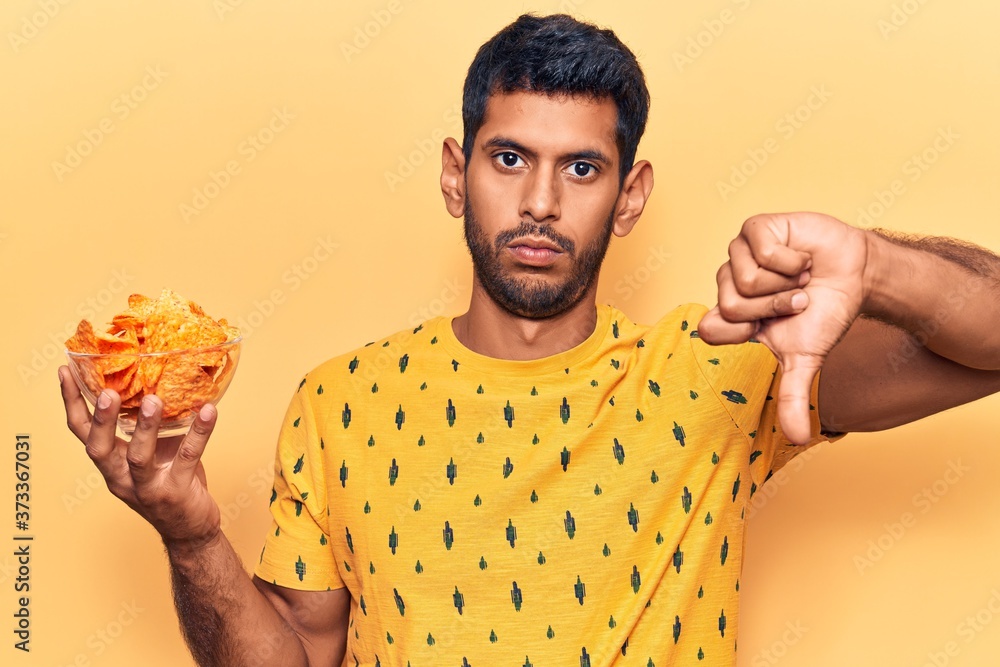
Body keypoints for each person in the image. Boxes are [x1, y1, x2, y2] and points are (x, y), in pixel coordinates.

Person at [59, 13, 1000, 667]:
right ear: (456, 173)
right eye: (510, 158)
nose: (541, 203)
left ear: (629, 197)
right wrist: (191, 536)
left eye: (581, 167)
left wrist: (875, 263)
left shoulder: (718, 368)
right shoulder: (338, 401)